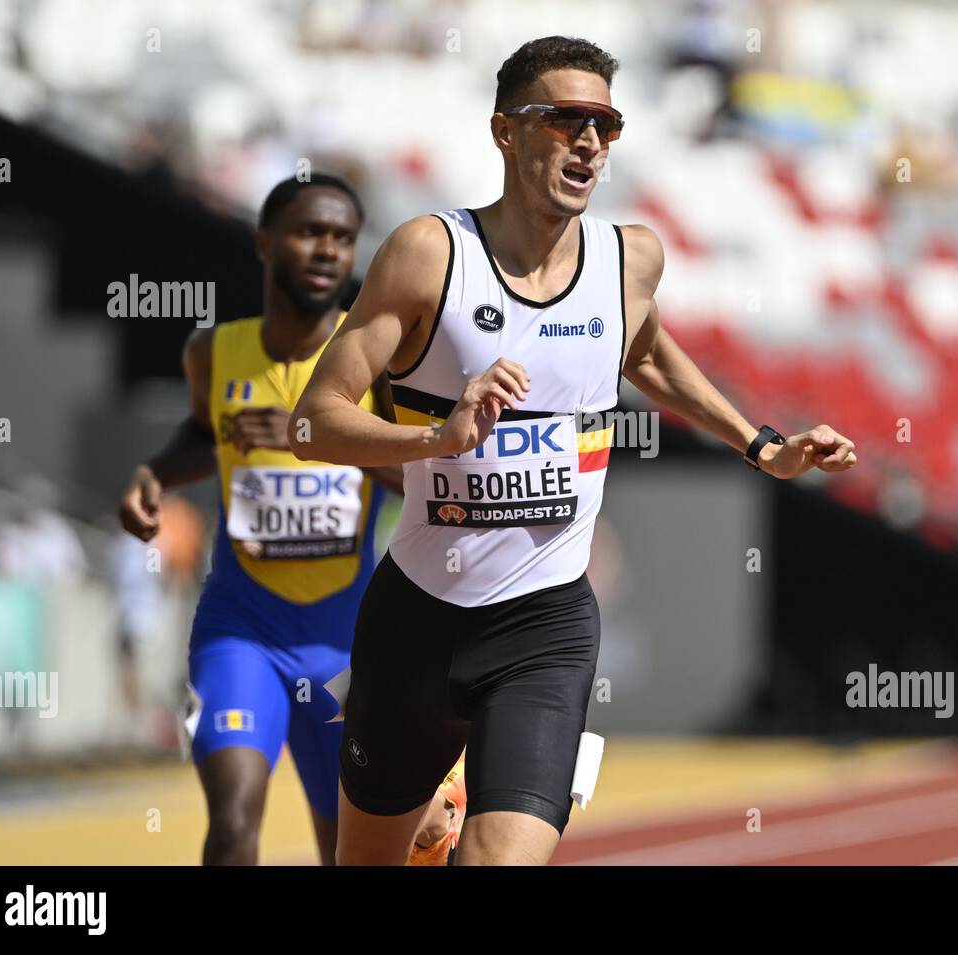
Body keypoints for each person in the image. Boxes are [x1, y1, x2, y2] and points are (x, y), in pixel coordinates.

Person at [291, 36, 856, 866]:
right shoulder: (430, 257)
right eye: (566, 120)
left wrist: (762, 442)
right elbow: (312, 422)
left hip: (545, 626)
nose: (590, 141)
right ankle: (426, 829)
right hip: (416, 622)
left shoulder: (629, 262)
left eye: (606, 123)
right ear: (505, 132)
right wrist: (436, 437)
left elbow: (650, 354)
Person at [118, 174, 461, 865]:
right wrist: (154, 473)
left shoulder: (376, 359)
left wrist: (319, 434)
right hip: (241, 630)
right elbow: (204, 433)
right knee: (234, 820)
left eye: (343, 237)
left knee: (356, 851)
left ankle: (432, 814)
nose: (328, 250)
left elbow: (423, 477)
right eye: (310, 232)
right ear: (266, 242)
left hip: (347, 646)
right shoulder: (212, 353)